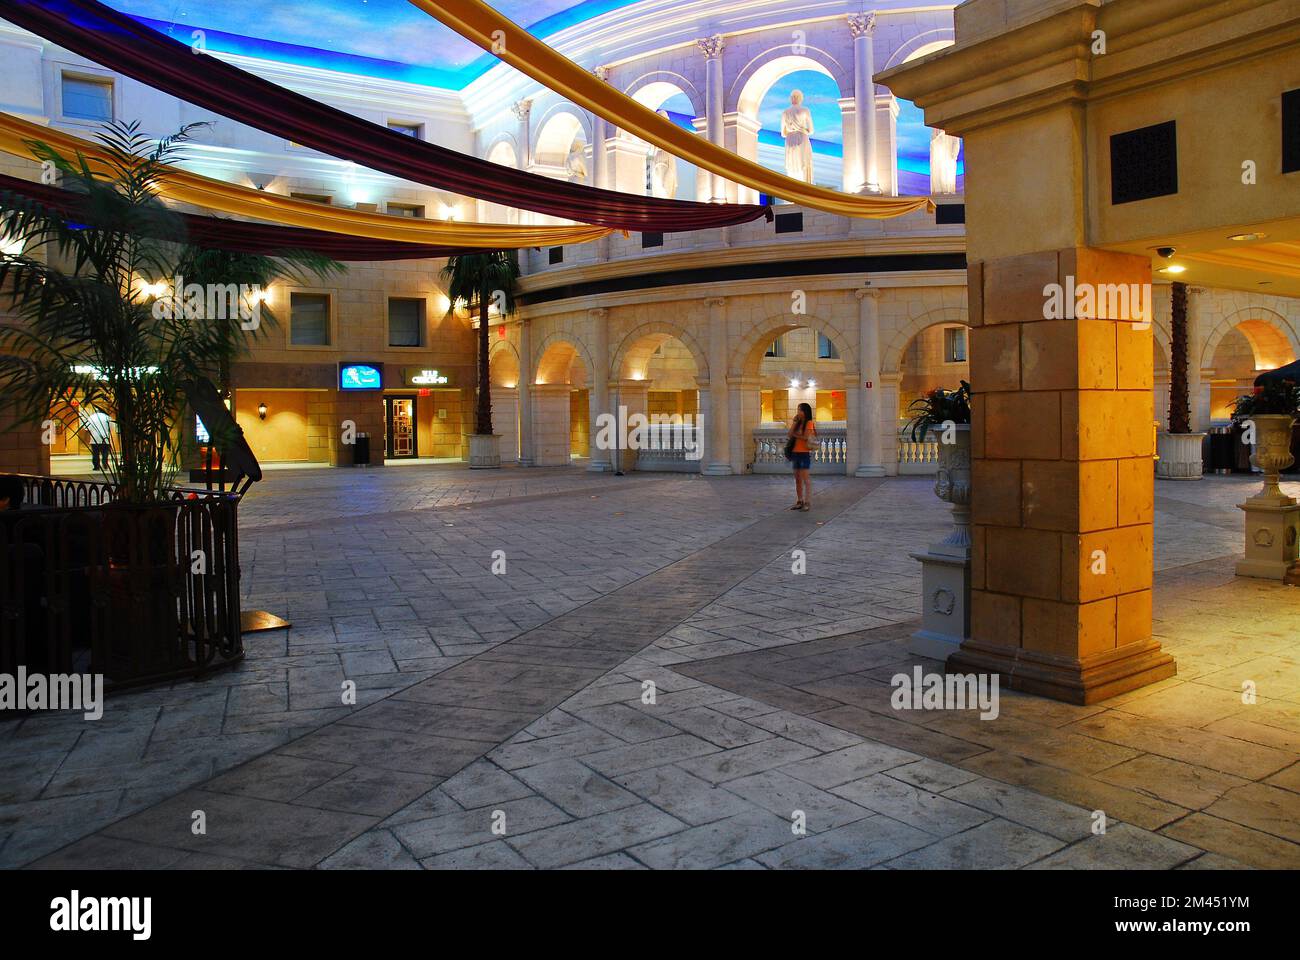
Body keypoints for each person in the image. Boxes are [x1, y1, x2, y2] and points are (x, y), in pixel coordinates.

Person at [788, 401, 817, 511]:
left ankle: (807, 502)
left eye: (799, 410)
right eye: (797, 410)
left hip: (804, 453)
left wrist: (796, 435)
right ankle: (799, 501)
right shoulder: (798, 423)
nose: (798, 412)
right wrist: (795, 422)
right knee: (797, 479)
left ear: (804, 411)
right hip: (796, 452)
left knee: (806, 479)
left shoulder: (809, 423)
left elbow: (806, 437)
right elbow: (789, 433)